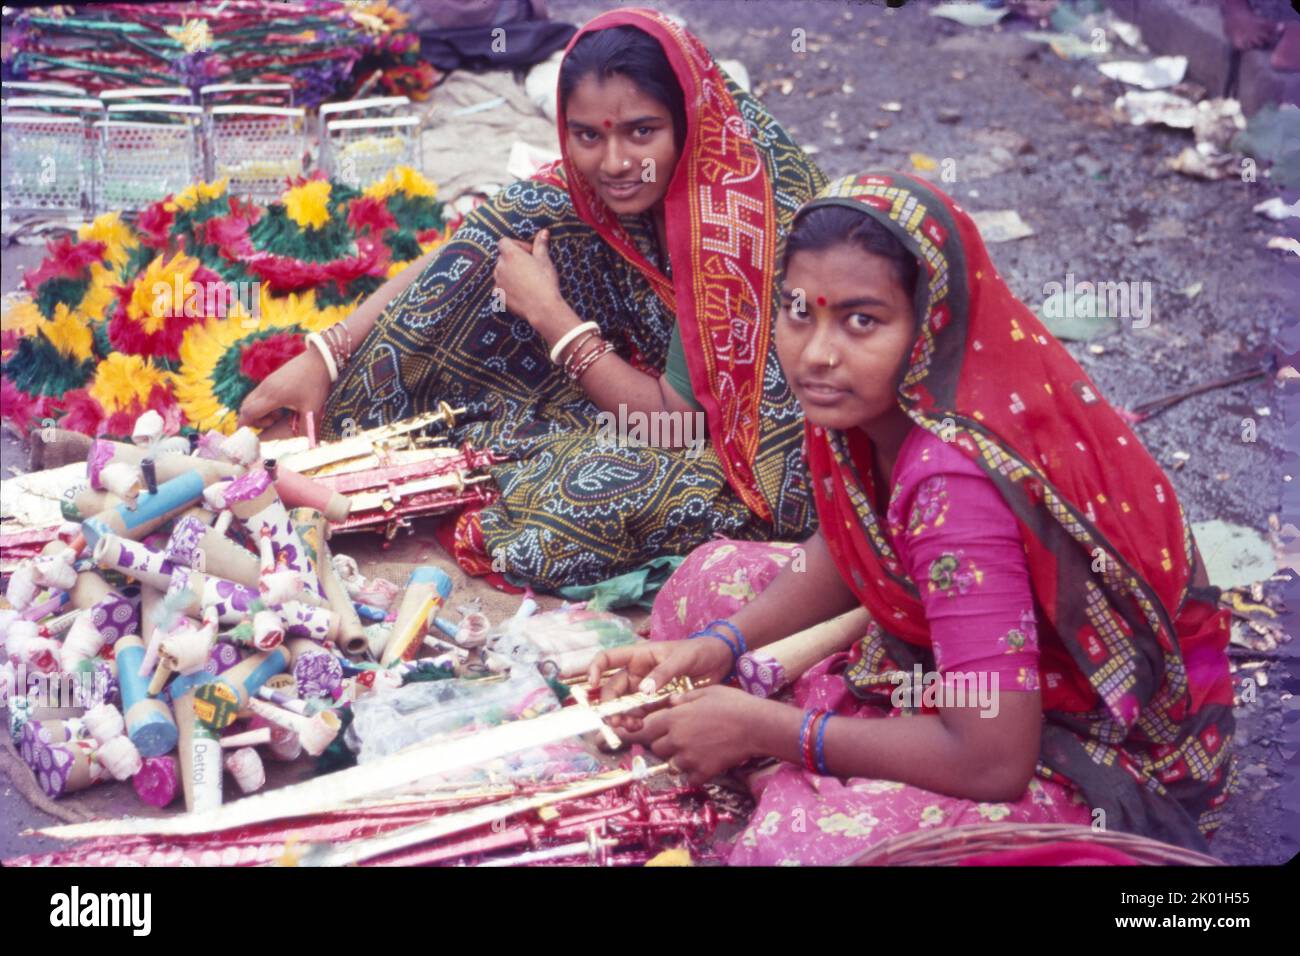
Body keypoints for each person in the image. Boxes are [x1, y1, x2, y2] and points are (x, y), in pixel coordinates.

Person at [590, 172, 1236, 865]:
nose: (816, 353)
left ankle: (791, 772)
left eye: (862, 320)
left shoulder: (955, 481)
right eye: (798, 311)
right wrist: (720, 647)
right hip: (964, 664)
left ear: (931, 322)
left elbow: (994, 762)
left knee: (798, 853)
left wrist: (768, 728)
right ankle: (792, 762)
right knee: (705, 581)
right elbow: (853, 545)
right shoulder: (868, 403)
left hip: (1081, 750)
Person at [238, 7, 826, 592]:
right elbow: (475, 247)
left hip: (748, 455)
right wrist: (325, 355)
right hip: (648, 387)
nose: (616, 162)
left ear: (687, 119)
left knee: (564, 519)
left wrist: (552, 317)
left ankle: (482, 463)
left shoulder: (735, 219)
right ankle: (355, 431)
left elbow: (673, 429)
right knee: (532, 214)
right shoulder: (620, 177)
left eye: (642, 132)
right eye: (587, 135)